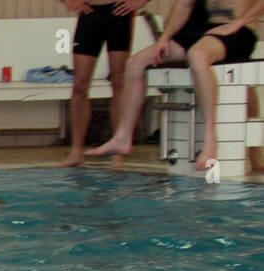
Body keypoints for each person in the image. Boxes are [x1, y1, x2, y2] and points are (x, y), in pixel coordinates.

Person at [88, 0, 264, 168]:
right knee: (135, 63)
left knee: (197, 56)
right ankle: (123, 138)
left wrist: (239, 22)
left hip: (238, 32)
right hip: (202, 31)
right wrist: (164, 38)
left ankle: (210, 140)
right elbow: (184, 4)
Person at [59, 1, 148, 167]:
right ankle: (76, 151)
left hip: (119, 12)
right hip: (90, 13)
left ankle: (117, 152)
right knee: (79, 85)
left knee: (118, 82)